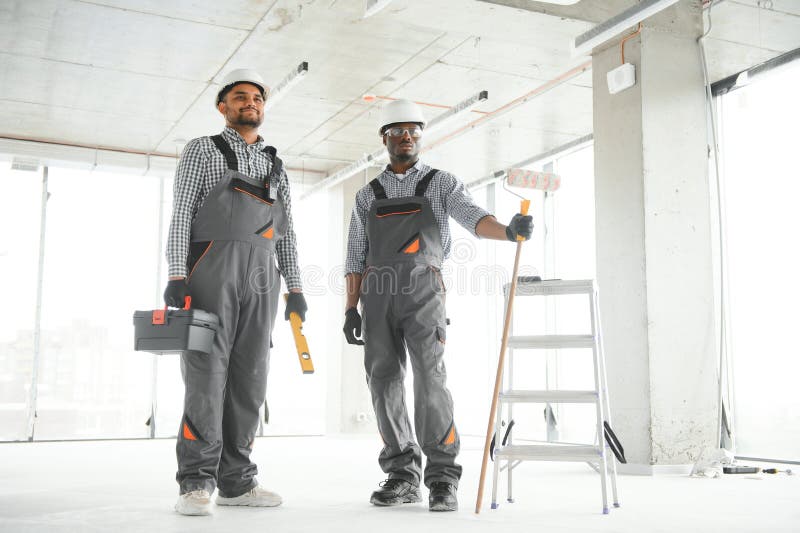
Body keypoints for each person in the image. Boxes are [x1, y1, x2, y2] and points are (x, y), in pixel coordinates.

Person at [343, 99, 533, 512]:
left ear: (420, 136)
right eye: (398, 131)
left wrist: (509, 232)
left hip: (423, 290)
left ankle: (443, 477)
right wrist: (349, 308)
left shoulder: (440, 183)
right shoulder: (366, 194)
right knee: (383, 382)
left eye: (414, 130)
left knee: (431, 379)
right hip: (375, 293)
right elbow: (355, 253)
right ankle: (401, 474)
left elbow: (472, 217)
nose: (407, 136)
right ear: (385, 138)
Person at [163, 68, 307, 516]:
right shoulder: (202, 150)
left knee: (250, 378)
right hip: (212, 271)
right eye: (241, 97)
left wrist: (296, 287)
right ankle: (195, 483)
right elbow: (183, 212)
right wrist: (175, 273)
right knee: (206, 377)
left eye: (258, 99)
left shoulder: (275, 165)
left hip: (263, 277)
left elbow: (286, 232)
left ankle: (238, 482)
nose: (252, 104)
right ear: (222, 106)